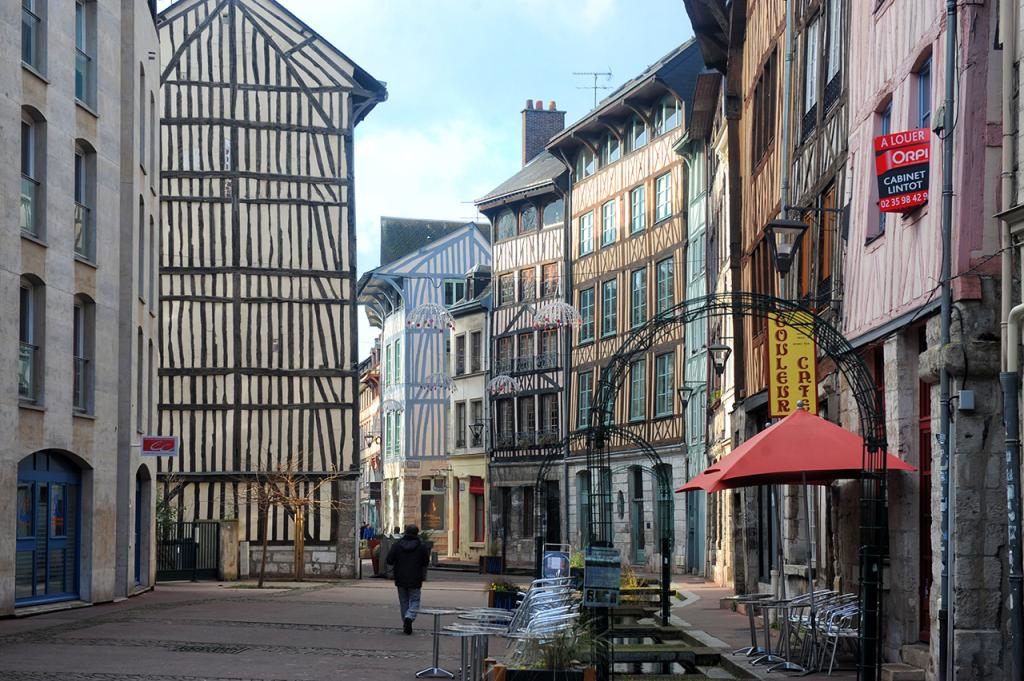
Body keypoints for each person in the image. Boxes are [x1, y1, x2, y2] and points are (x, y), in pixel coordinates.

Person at [386, 523, 431, 635]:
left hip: (400, 577)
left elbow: (389, 560)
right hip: (415, 577)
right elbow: (426, 562)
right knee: (415, 600)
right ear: (417, 533)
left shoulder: (397, 544)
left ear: (405, 532)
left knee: (404, 601)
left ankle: (406, 620)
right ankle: (409, 617)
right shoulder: (422, 546)